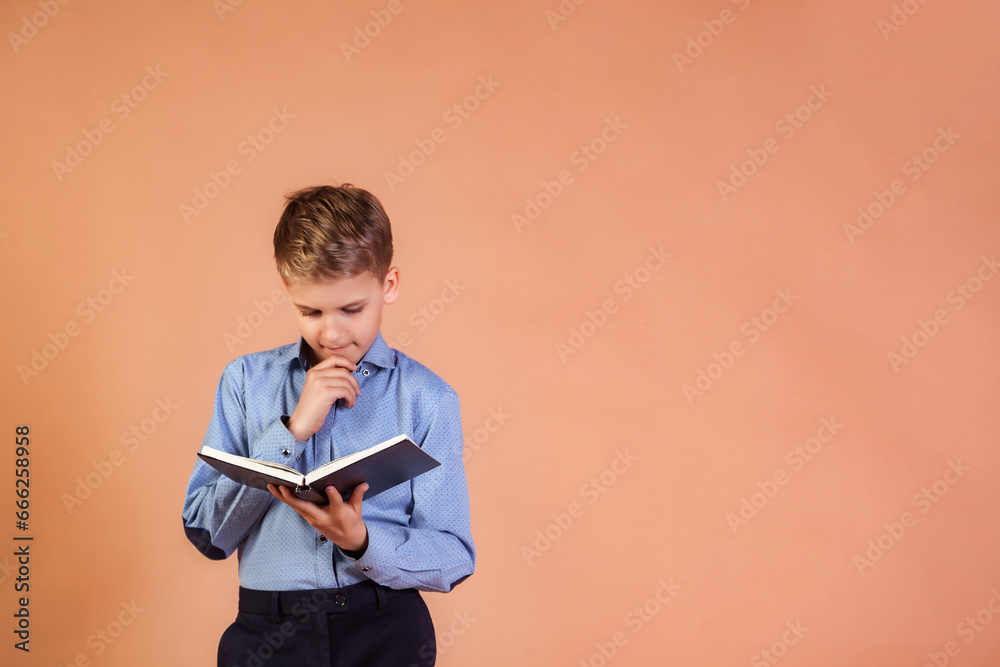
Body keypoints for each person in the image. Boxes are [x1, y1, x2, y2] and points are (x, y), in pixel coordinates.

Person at [181, 183, 475, 667]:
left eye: (352, 309)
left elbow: (453, 556)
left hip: (385, 630)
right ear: (286, 288)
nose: (332, 334)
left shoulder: (428, 398)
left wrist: (361, 541)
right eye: (310, 311)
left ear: (390, 285)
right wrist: (293, 430)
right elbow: (207, 534)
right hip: (265, 634)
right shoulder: (244, 382)